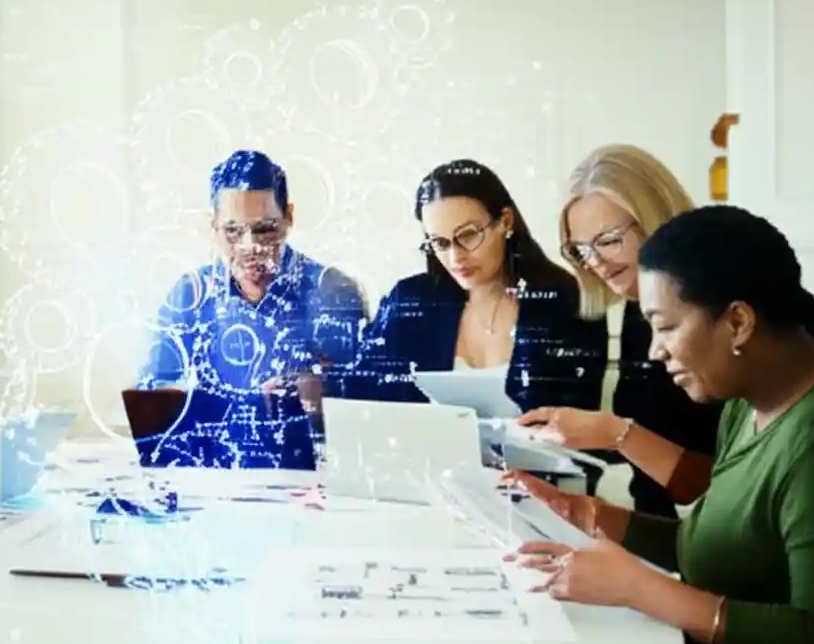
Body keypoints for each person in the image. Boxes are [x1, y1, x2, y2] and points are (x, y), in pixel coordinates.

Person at [508, 205, 814, 644]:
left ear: (739, 322)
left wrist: (638, 589)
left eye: (665, 327)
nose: (657, 350)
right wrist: (586, 515)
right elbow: (717, 549)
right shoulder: (746, 404)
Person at [517, 144, 723, 518]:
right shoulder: (632, 312)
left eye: (608, 240)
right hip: (665, 535)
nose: (595, 262)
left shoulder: (718, 313)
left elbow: (725, 485)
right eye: (579, 250)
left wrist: (616, 433)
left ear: (656, 218)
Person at [137, 150, 367, 470]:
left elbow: (365, 411)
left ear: (289, 218)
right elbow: (151, 395)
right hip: (211, 481)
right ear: (213, 226)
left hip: (311, 483)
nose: (250, 247)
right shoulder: (189, 293)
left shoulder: (332, 292)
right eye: (233, 231)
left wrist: (316, 390)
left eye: (265, 229)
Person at [335, 160, 606, 414]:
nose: (456, 258)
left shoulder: (564, 303)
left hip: (534, 465)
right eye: (440, 243)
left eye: (467, 235)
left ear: (506, 222)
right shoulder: (409, 302)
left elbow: (580, 417)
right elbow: (362, 398)